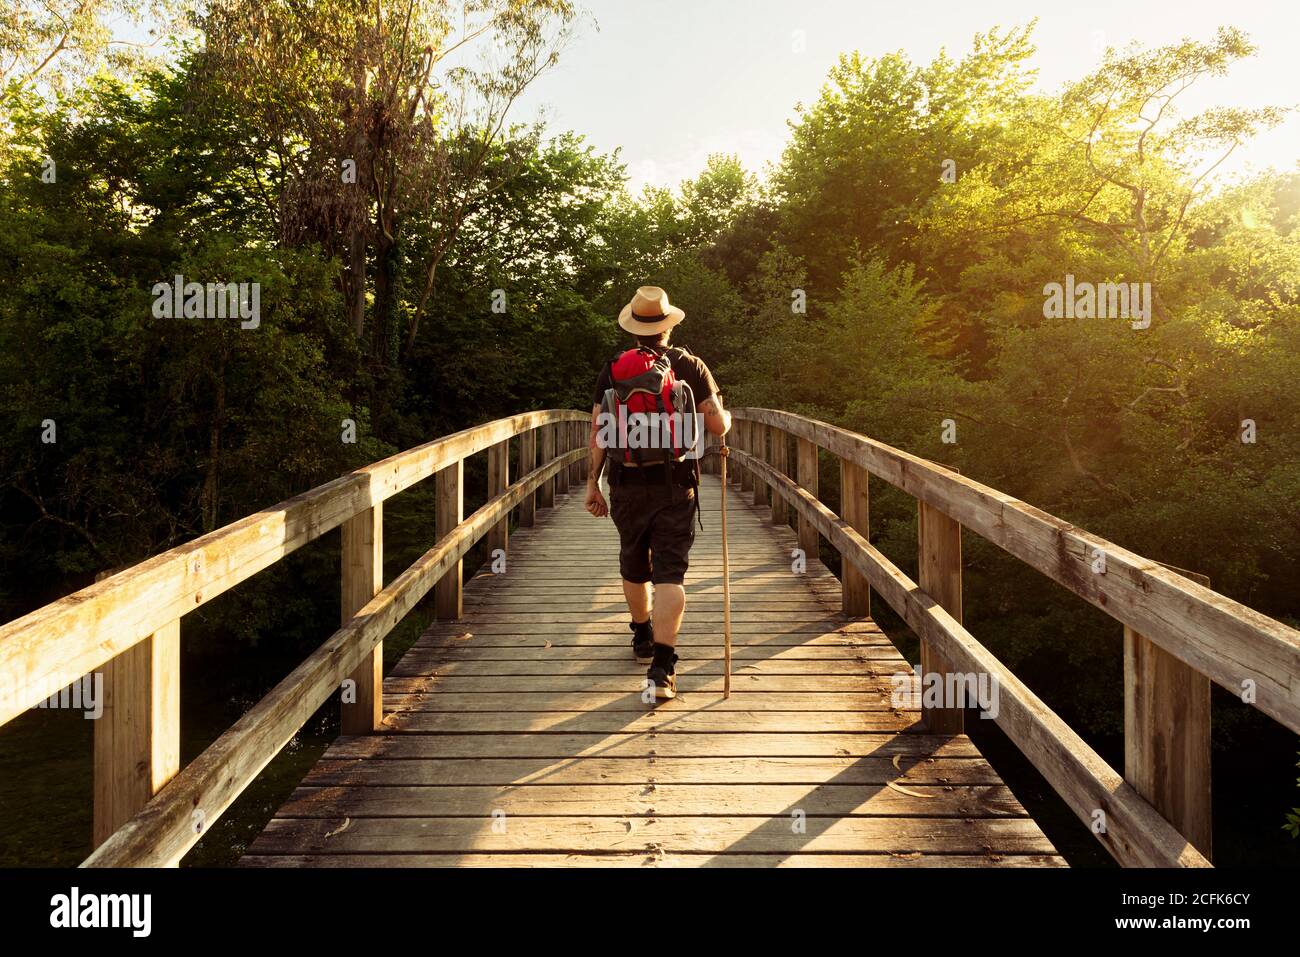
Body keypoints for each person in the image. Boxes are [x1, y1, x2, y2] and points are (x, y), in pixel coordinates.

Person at [584, 286, 731, 700]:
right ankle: (662, 669)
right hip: (676, 484)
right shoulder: (691, 365)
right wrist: (726, 417)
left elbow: (598, 429)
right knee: (670, 573)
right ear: (668, 326)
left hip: (626, 482)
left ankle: (641, 634)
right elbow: (717, 426)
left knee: (634, 562)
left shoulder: (614, 368)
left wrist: (593, 482)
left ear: (633, 328)